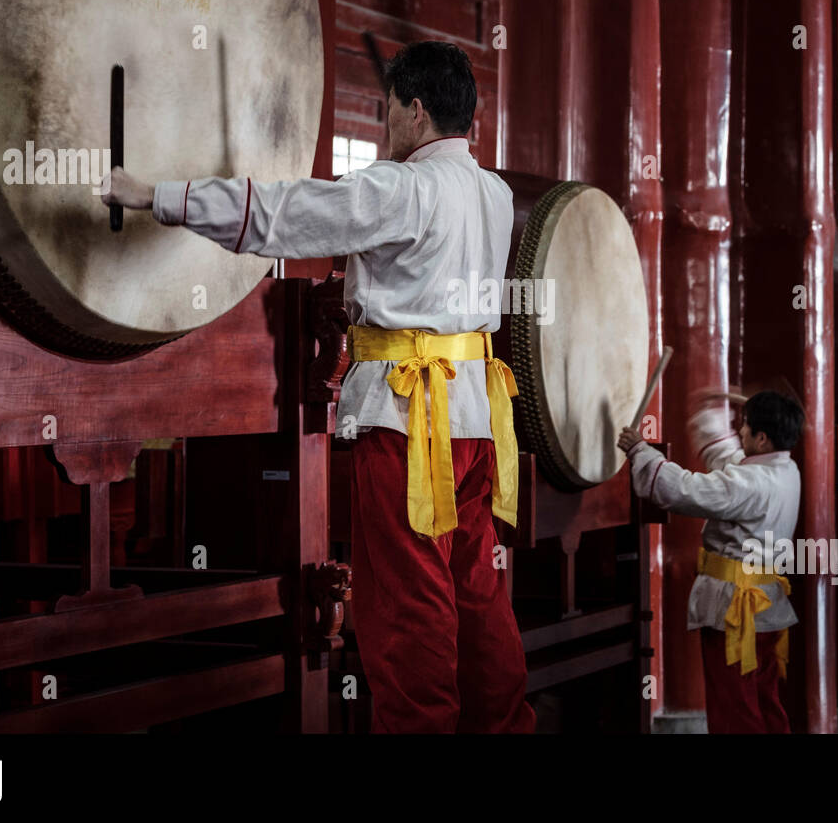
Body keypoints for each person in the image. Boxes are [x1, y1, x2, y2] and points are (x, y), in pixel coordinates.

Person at [100, 40, 535, 733]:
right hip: (479, 421)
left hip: (408, 420)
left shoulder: (403, 188)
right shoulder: (495, 193)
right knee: (477, 594)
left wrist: (158, 197)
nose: (386, 124)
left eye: (388, 110)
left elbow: (288, 212)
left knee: (408, 607)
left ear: (416, 110)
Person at [618, 390, 804, 733]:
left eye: (745, 427)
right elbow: (733, 464)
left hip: (735, 614)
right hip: (767, 610)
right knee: (764, 700)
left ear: (762, 439)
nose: (741, 433)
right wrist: (709, 416)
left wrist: (639, 451)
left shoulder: (751, 484)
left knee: (734, 708)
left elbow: (687, 490)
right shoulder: (785, 469)